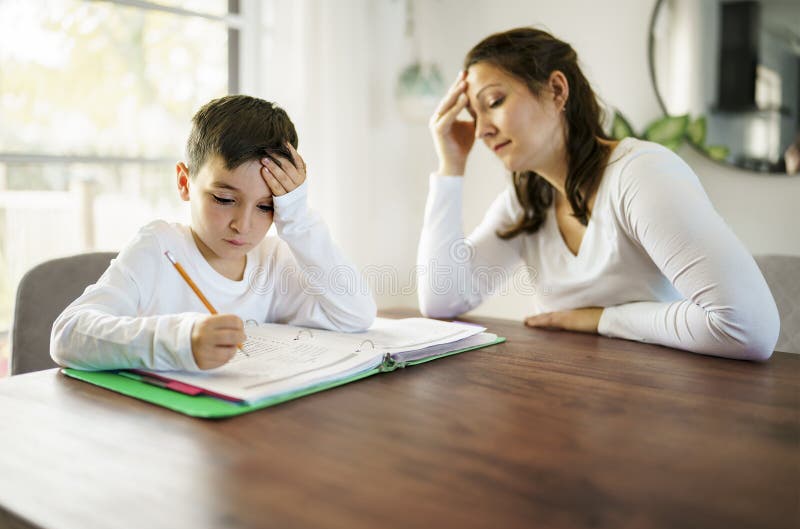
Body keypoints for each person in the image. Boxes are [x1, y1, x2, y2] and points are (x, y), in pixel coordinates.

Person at [418, 27, 779, 361]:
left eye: (494, 102)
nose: (481, 130)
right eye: (473, 115)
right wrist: (450, 167)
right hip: (574, 396)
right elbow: (441, 300)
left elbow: (748, 328)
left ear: (557, 90)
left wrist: (602, 319)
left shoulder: (640, 175)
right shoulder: (527, 200)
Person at [51, 95, 376, 371]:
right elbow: (67, 334)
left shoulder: (274, 259)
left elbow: (355, 315)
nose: (243, 225)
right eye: (224, 199)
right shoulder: (159, 248)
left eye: (266, 207)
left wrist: (297, 218)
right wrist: (180, 341)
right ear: (184, 182)